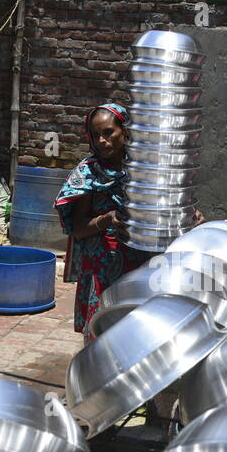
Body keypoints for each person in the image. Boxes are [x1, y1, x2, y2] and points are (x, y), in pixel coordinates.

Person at [54, 103, 151, 335]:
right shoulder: (88, 174)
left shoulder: (146, 170)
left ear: (125, 132)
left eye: (108, 133)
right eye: (95, 135)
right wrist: (106, 220)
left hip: (140, 266)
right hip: (101, 271)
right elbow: (77, 229)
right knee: (102, 333)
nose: (101, 141)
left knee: (138, 332)